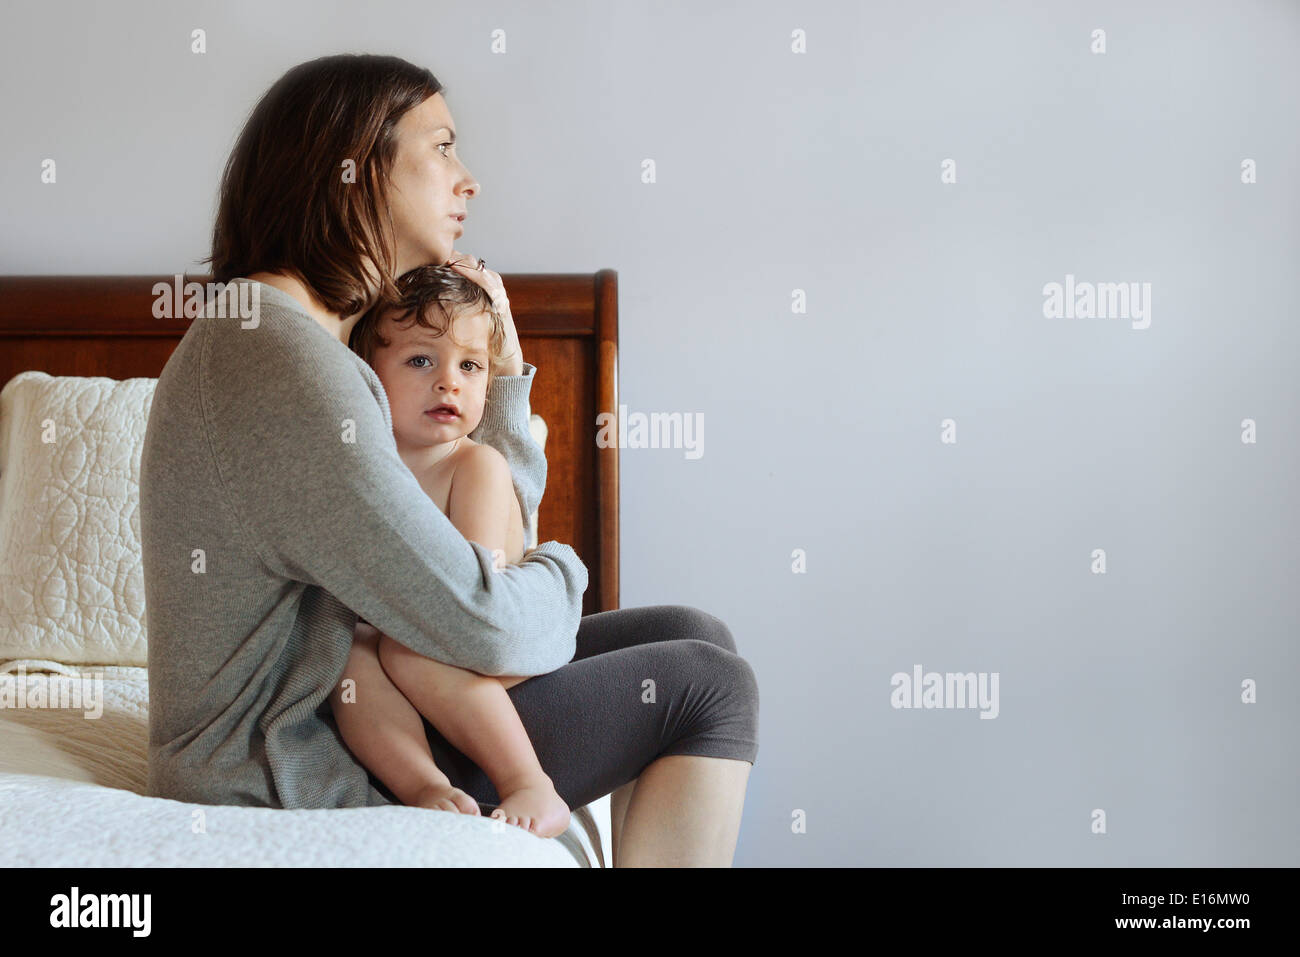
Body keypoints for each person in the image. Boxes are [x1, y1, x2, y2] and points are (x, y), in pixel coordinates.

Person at [139, 53, 758, 866]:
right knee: (711, 686)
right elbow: (486, 620)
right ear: (353, 169)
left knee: (693, 631)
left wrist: (501, 381)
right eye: (441, 147)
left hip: (344, 707)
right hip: (294, 763)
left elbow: (484, 557)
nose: (468, 181)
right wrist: (560, 572)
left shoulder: (289, 340)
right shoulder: (280, 360)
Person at [331, 264, 569, 838]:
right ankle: (423, 785)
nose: (448, 382)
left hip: (475, 647)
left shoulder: (477, 465)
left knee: (407, 650)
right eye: (419, 361)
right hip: (394, 648)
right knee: (349, 657)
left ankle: (527, 781)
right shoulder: (359, 463)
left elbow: (471, 600)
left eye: (470, 365)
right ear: (366, 374)